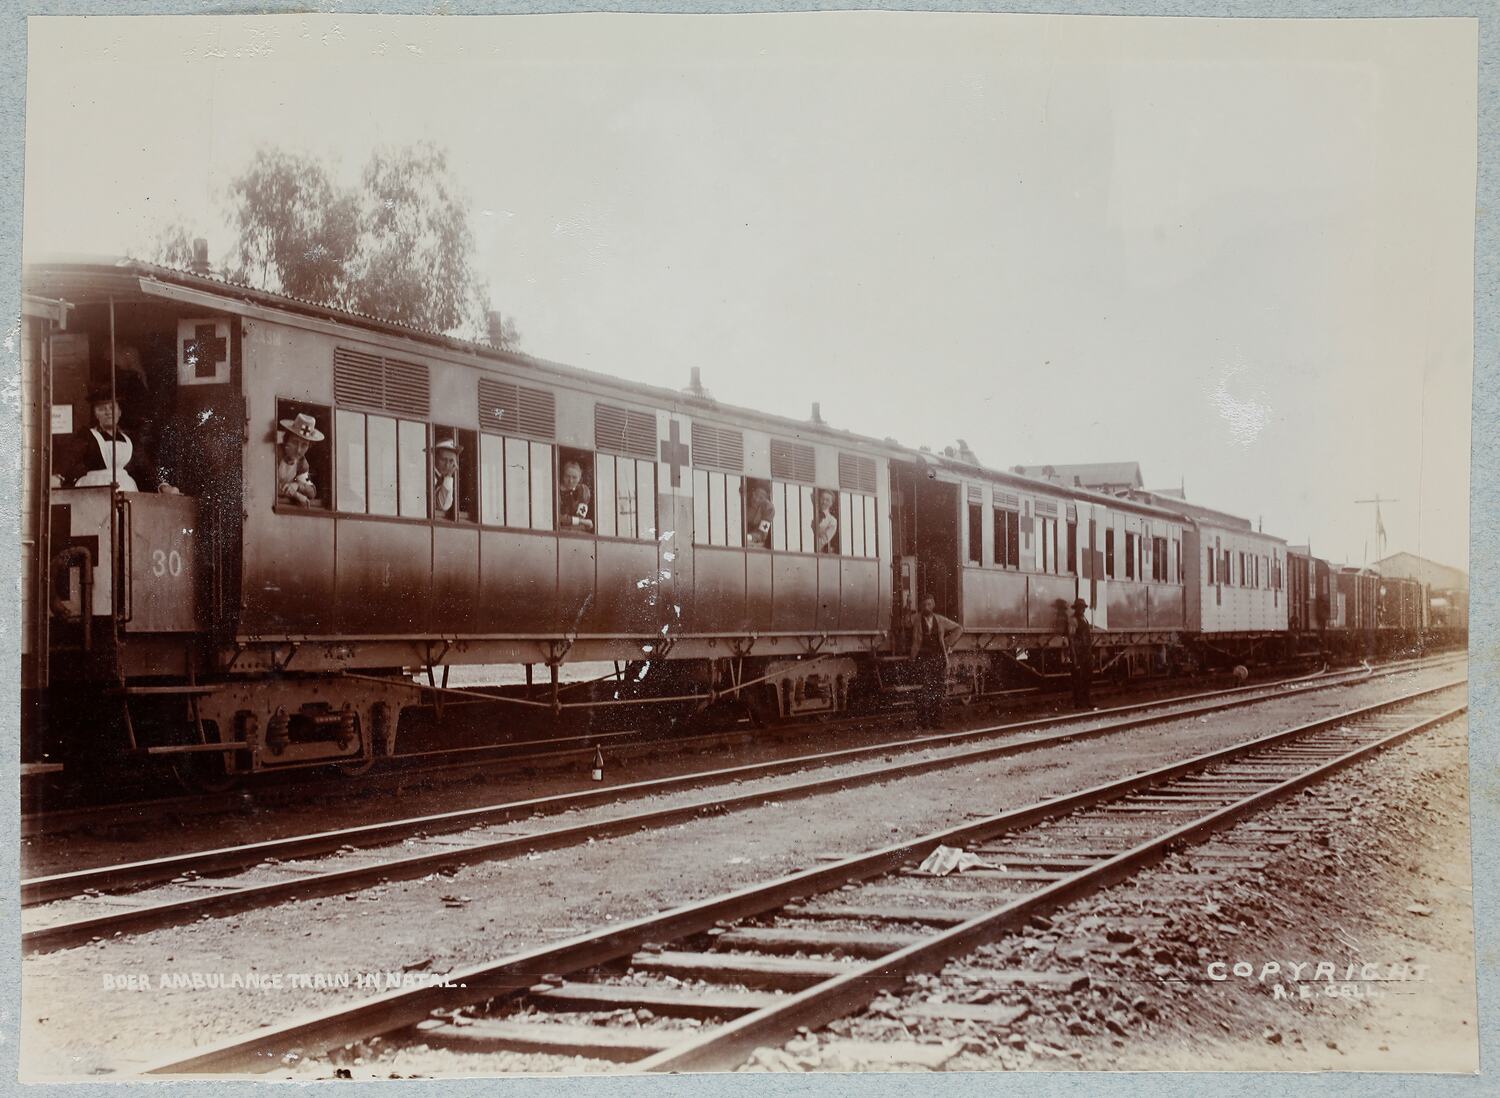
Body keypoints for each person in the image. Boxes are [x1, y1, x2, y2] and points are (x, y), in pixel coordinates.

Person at [55, 383, 179, 494]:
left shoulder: (129, 439)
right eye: (102, 409)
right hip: (96, 488)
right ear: (96, 414)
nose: (108, 412)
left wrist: (162, 485)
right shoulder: (88, 436)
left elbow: (145, 466)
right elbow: (69, 458)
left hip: (125, 487)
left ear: (119, 412)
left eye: (112, 408)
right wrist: (57, 477)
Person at [909, 593, 963, 728]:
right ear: (921, 606)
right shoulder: (916, 619)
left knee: (938, 690)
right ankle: (923, 722)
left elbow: (959, 628)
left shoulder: (940, 620)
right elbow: (905, 621)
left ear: (933, 605)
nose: (926, 607)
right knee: (924, 690)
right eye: (924, 605)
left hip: (938, 658)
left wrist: (947, 643)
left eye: (929, 604)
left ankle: (937, 722)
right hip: (922, 657)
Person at [276, 412, 324, 507]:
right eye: (295, 442)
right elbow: (269, 487)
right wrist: (296, 495)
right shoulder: (274, 454)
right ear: (286, 440)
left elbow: (312, 491)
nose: (298, 450)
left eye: (304, 445)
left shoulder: (302, 463)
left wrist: (298, 485)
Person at [1069, 598, 1094, 707]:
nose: (1082, 609)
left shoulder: (1084, 619)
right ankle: (1079, 703)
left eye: (1083, 607)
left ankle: (1087, 701)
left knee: (1087, 678)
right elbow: (1071, 639)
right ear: (1076, 608)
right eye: (1080, 607)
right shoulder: (1073, 620)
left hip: (1086, 652)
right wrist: (1074, 657)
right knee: (1078, 679)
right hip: (1079, 653)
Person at [558, 459, 594, 531]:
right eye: (567, 476)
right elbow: (557, 517)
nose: (570, 481)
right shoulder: (556, 490)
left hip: (575, 530)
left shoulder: (583, 491)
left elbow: (581, 516)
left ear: (579, 478)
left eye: (574, 477)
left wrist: (580, 521)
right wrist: (581, 521)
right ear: (563, 476)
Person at [432, 437, 461, 519]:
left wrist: (448, 477)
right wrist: (448, 477)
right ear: (434, 458)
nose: (447, 465)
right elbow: (442, 506)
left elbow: (446, 505)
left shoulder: (445, 478)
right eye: (443, 459)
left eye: (451, 461)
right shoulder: (428, 476)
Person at [812, 489, 839, 553]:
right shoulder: (811, 512)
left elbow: (823, 540)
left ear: (831, 503)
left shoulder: (832, 521)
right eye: (822, 499)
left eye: (827, 500)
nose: (824, 502)